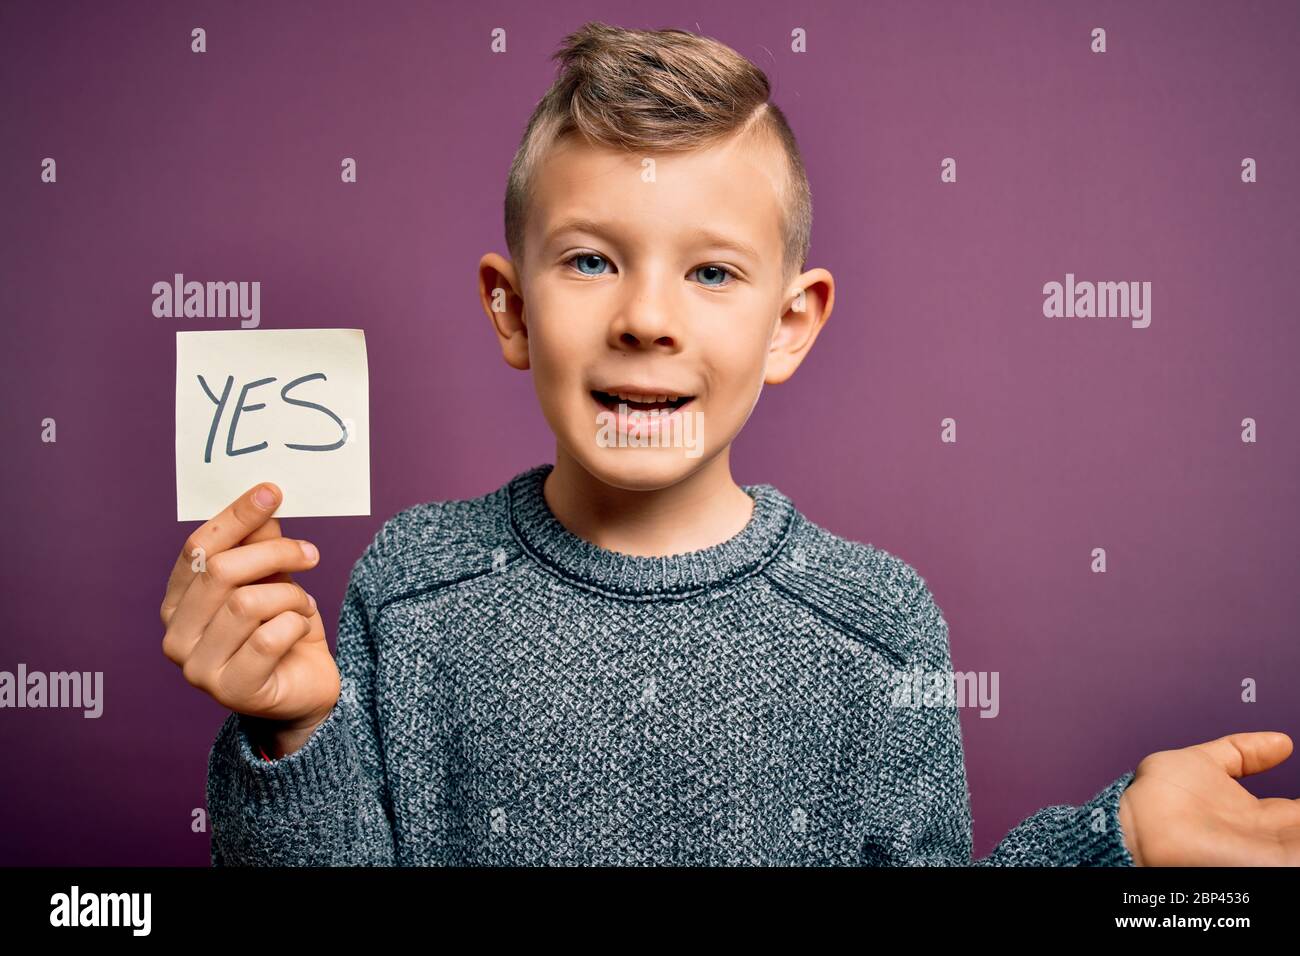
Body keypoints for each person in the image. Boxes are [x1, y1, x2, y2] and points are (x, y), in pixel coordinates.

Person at [161, 21, 1297, 866]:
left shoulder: (876, 621)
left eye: (710, 271)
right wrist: (291, 730)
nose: (647, 316)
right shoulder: (408, 588)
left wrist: (1123, 842)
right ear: (510, 308)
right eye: (592, 259)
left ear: (788, 323)